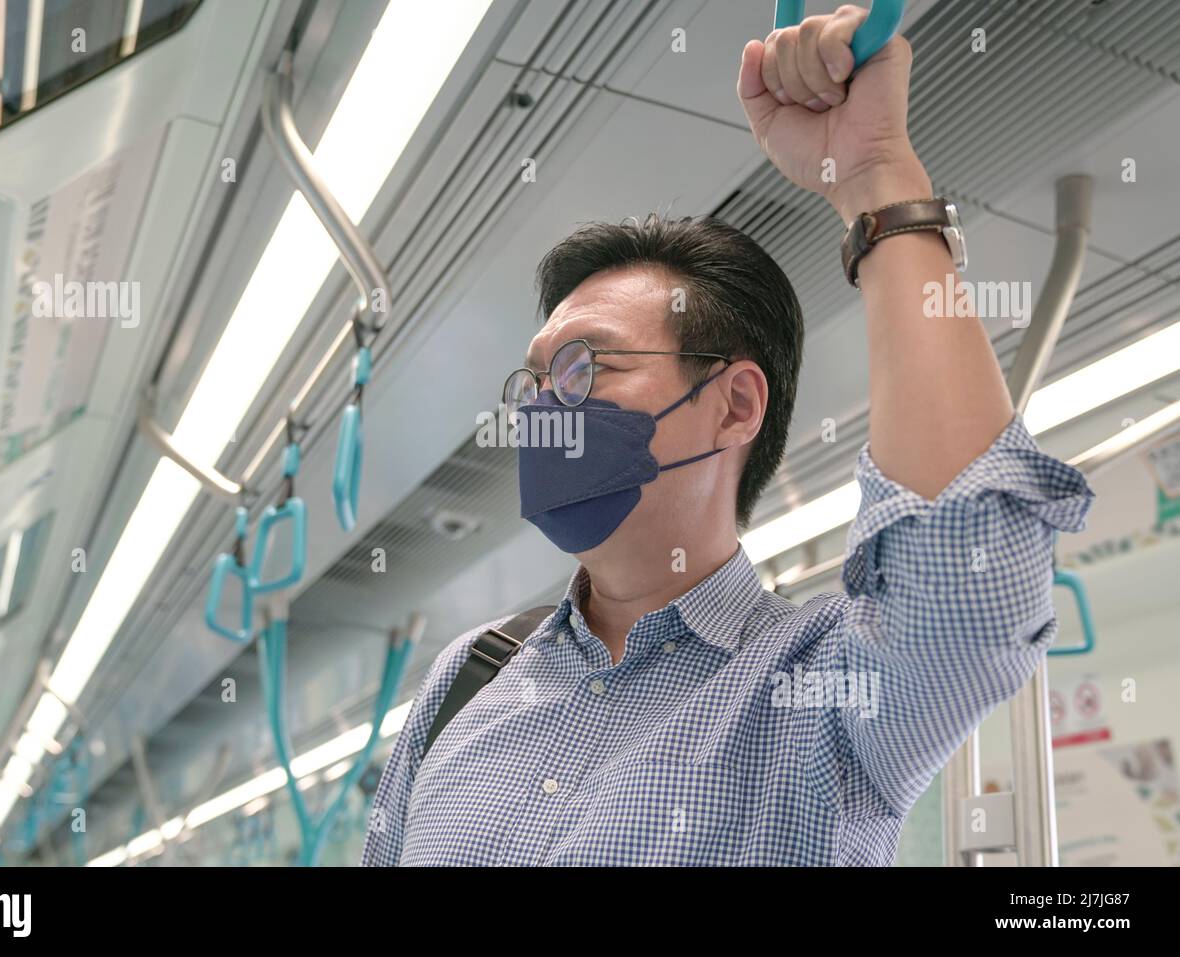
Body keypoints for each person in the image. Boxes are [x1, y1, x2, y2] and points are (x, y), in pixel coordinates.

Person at [362, 5, 1093, 866]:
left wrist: (875, 176)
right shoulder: (470, 679)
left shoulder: (816, 695)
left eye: (584, 368)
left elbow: (968, 585)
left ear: (736, 405)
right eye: (535, 380)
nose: (541, 412)